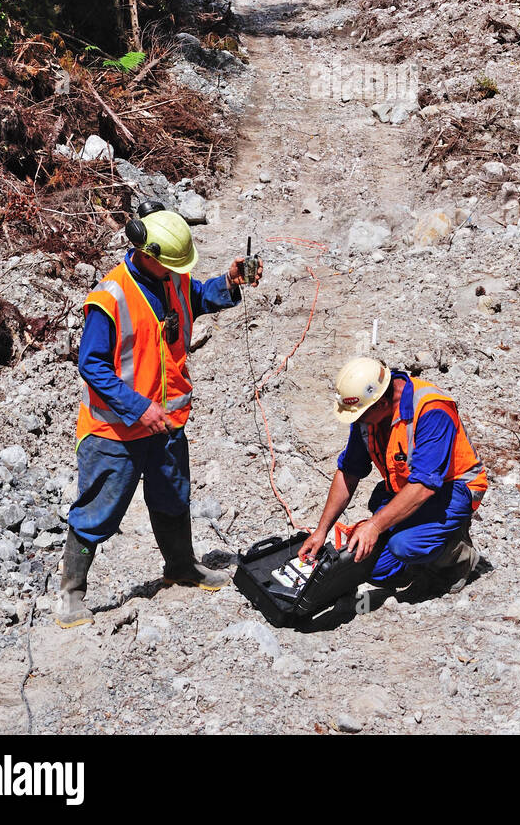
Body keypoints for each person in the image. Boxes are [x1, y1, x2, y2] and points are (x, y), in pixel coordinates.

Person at [57, 201, 262, 628]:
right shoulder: (109, 298)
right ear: (145, 252)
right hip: (114, 431)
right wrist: (138, 408)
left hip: (166, 425)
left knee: (173, 497)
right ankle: (71, 595)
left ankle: (181, 566)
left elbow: (199, 296)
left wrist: (229, 282)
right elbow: (91, 365)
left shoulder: (172, 279)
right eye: (169, 265)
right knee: (97, 512)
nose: (175, 273)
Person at [299, 357, 487, 593]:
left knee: (403, 545)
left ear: (381, 404)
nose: (357, 422)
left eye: (360, 416)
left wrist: (375, 526)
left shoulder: (431, 409)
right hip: (408, 487)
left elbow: (425, 485)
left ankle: (456, 555)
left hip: (453, 489)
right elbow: (349, 471)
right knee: (371, 567)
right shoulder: (368, 417)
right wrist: (321, 530)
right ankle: (422, 557)